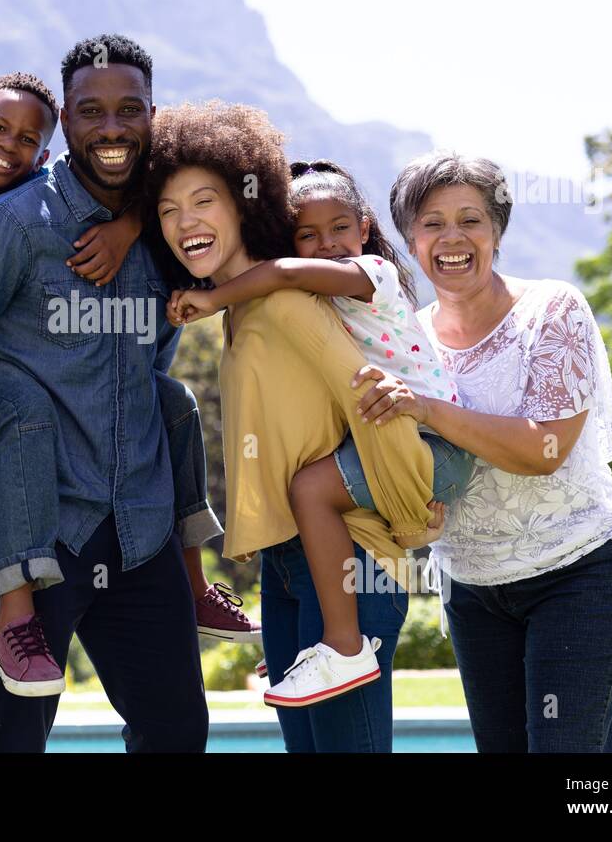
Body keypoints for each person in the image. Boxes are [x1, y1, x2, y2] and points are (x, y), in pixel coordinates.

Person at [0, 34, 209, 752]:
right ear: (66, 122)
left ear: (151, 117)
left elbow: (157, 355)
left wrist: (134, 226)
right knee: (12, 738)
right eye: (91, 110)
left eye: (128, 109)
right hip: (35, 531)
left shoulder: (164, 228)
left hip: (141, 524)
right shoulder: (14, 224)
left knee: (177, 733)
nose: (110, 127)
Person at [148, 101, 438, 751]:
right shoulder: (245, 309)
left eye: (204, 201)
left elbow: (381, 402)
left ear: (247, 206)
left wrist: (415, 503)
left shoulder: (282, 302)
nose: (186, 222)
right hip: (288, 567)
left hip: (348, 565)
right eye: (168, 210)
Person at [350, 150, 612, 752]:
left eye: (471, 220)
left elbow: (546, 448)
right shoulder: (411, 343)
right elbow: (419, 466)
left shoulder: (552, 310)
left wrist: (427, 409)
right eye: (431, 223)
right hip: (471, 588)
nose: (452, 238)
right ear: (408, 238)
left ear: (497, 231)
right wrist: (415, 519)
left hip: (577, 572)